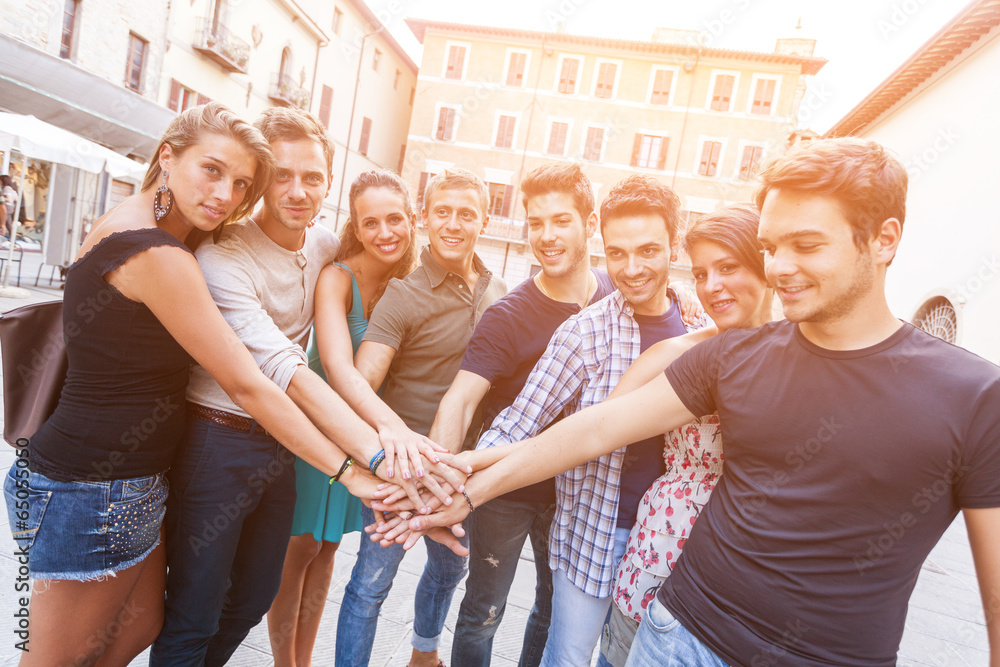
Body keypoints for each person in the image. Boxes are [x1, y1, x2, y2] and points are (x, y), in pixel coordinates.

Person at [393, 138, 1000, 666]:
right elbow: (592, 429)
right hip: (678, 634)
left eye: (806, 245)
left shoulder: (972, 397)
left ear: (884, 240)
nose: (781, 267)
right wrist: (463, 487)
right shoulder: (729, 354)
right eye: (771, 245)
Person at [1, 103, 376, 667]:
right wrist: (349, 470)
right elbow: (249, 384)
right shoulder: (158, 253)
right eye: (212, 170)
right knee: (55, 659)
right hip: (87, 485)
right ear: (168, 156)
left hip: (130, 478)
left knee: (140, 628)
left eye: (242, 182)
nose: (224, 194)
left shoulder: (152, 225)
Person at [150, 109, 456, 666]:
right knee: (194, 613)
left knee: (250, 600)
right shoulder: (224, 254)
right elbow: (290, 370)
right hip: (219, 441)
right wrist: (379, 453)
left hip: (282, 442)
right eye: (282, 175)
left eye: (312, 177)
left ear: (328, 182)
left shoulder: (321, 247)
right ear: (260, 177)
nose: (297, 191)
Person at [470, 174, 694, 667]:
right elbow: (519, 424)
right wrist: (453, 474)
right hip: (596, 529)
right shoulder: (584, 331)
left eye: (648, 251)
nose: (632, 268)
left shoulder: (699, 325)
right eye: (617, 253)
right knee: (567, 657)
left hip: (672, 540)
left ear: (674, 247)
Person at [430, 162, 615, 667]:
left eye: (561, 221)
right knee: (483, 611)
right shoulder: (508, 316)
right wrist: (440, 474)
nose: (547, 236)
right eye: (536, 223)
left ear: (590, 224)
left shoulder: (617, 296)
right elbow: (461, 399)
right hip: (506, 492)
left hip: (579, 493)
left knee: (554, 613)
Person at [336, 167, 507, 667]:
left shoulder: (501, 293)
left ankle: (424, 654)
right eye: (443, 212)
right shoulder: (403, 295)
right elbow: (361, 382)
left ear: (486, 220)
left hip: (463, 470)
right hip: (402, 469)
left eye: (467, 213)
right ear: (424, 218)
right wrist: (392, 447)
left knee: (448, 570)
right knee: (370, 584)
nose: (453, 224)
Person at [599, 203, 772, 666]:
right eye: (700, 274)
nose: (712, 286)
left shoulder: (802, 358)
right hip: (663, 547)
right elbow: (597, 428)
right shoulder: (677, 352)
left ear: (766, 264)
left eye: (728, 267)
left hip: (747, 587)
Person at [267, 169, 420, 666]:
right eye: (370, 222)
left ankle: (304, 661)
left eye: (394, 219)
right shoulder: (338, 278)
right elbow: (336, 368)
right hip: (318, 429)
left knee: (328, 550)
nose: (385, 233)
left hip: (366, 440)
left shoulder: (411, 282)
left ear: (411, 219)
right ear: (356, 226)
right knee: (299, 552)